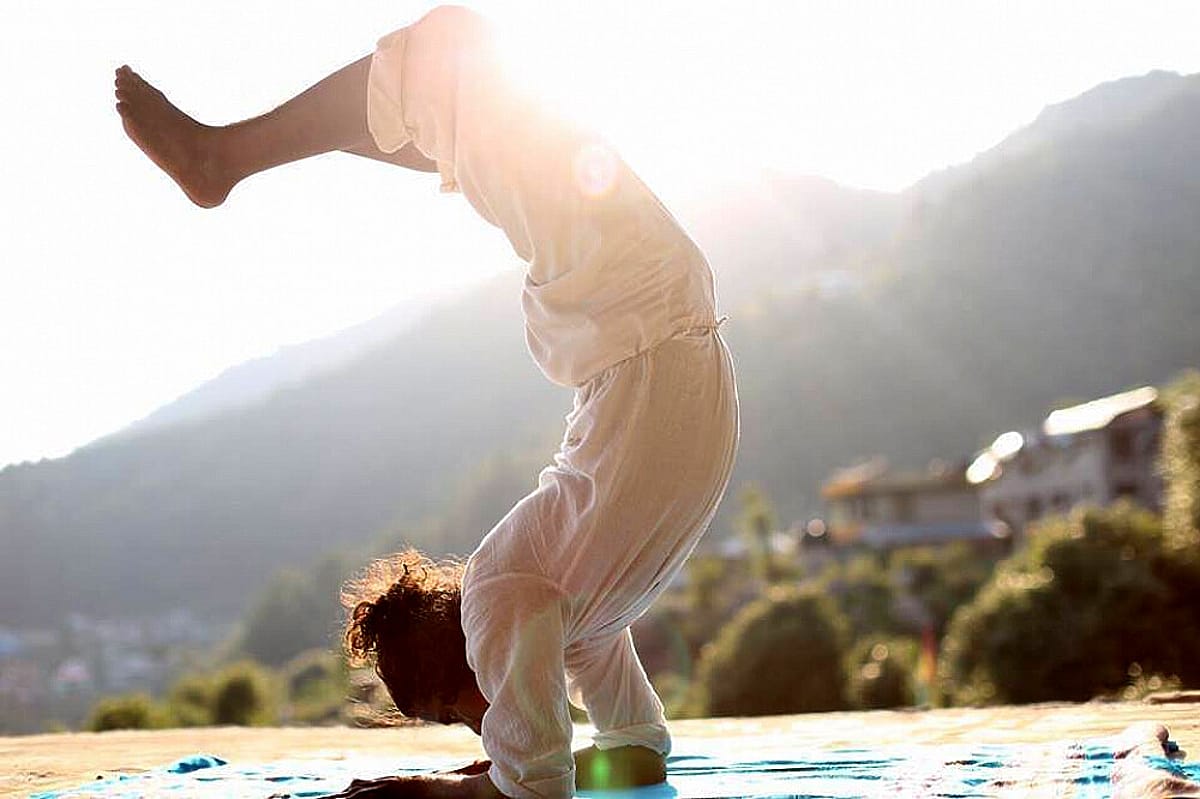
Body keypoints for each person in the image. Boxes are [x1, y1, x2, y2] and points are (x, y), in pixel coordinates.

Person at [116, 6, 738, 798]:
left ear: (463, 651)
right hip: (656, 329)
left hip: (648, 332)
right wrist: (497, 774)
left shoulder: (506, 593)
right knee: (462, 76)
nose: (478, 729)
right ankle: (232, 155)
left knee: (460, 73)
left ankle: (227, 156)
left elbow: (544, 786)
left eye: (452, 711)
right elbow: (639, 753)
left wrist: (444, 789)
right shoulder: (576, 616)